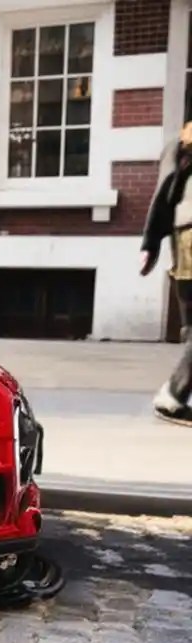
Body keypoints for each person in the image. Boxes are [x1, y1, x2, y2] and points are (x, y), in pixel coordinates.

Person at [141, 122, 192, 426]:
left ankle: (174, 396)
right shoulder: (181, 163)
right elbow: (162, 202)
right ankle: (172, 397)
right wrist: (149, 244)